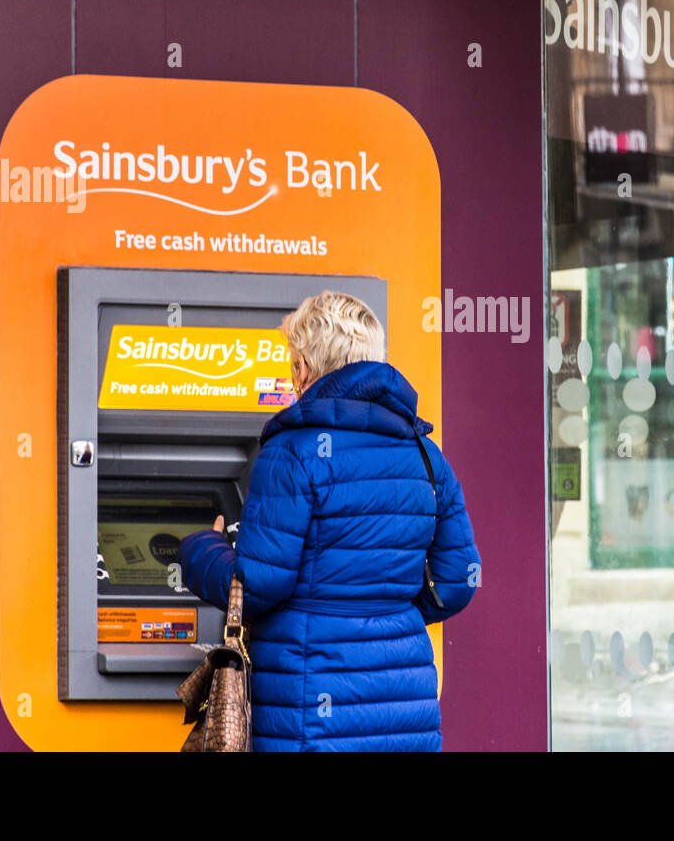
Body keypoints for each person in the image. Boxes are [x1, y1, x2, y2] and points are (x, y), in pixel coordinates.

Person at [177, 290, 480, 751]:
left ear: (304, 367)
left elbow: (258, 585)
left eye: (293, 364)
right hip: (404, 706)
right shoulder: (425, 455)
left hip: (310, 699)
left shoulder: (293, 450)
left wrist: (202, 550)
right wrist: (381, 610)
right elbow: (457, 581)